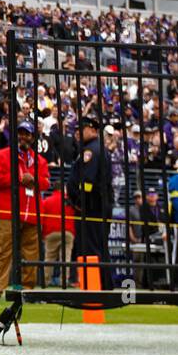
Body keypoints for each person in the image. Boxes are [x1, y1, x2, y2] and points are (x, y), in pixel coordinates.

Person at [0, 121, 50, 300]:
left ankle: (27, 290)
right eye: (20, 133)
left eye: (27, 134)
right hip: (10, 212)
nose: (23, 137)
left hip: (33, 213)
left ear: (32, 137)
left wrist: (34, 180)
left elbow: (46, 182)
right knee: (3, 251)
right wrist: (20, 177)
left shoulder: (40, 160)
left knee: (31, 254)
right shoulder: (3, 155)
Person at [66, 114, 114, 291]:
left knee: (91, 248)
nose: (77, 133)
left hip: (91, 207)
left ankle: (94, 288)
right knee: (99, 246)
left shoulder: (91, 151)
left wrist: (80, 201)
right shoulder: (94, 148)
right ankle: (104, 286)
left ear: (93, 130)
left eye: (81, 129)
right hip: (97, 206)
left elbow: (87, 182)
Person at [39, 186, 78, 287]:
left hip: (51, 232)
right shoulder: (69, 201)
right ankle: (64, 282)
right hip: (68, 232)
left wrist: (43, 234)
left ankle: (45, 281)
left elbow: (42, 218)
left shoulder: (47, 201)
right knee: (65, 259)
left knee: (49, 258)